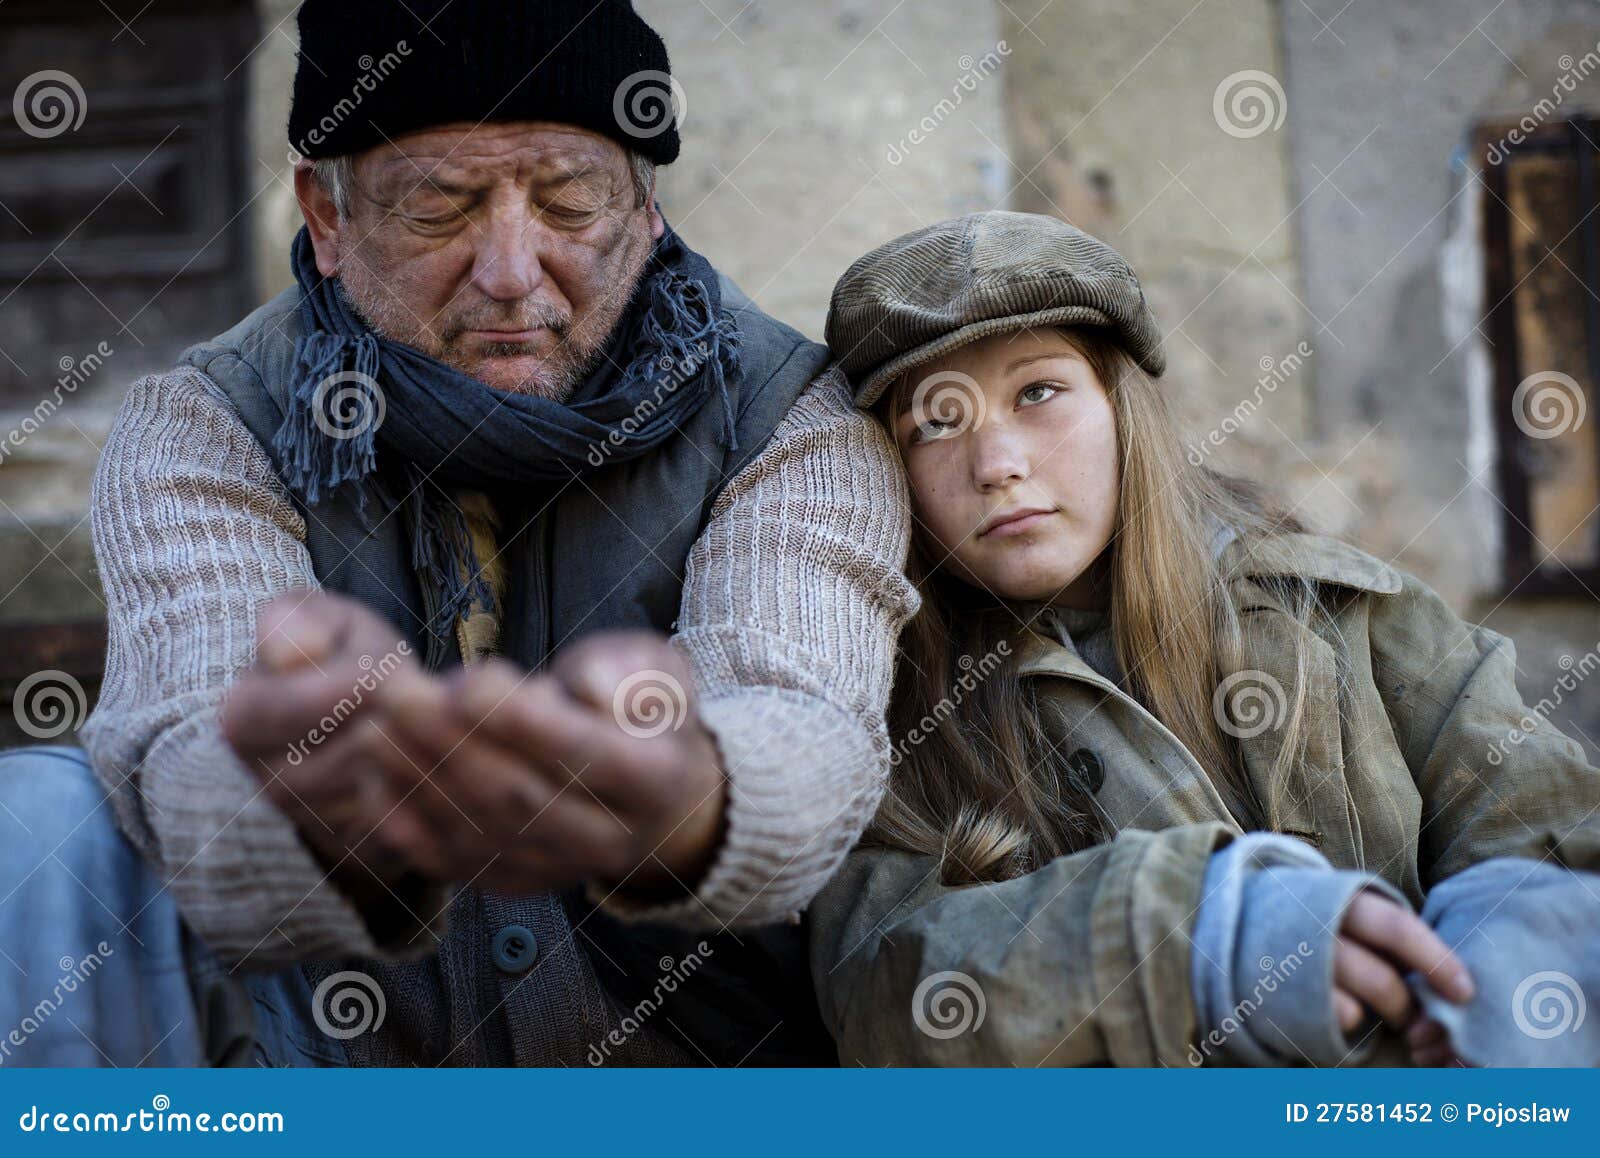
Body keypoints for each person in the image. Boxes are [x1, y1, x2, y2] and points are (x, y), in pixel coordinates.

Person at [0, 0, 918, 1067]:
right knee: (41, 818)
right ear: (329, 218)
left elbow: (804, 712)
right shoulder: (209, 423)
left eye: (570, 202)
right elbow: (189, 739)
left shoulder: (786, 410)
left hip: (691, 1070)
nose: (512, 273)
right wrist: (326, 808)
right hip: (336, 1073)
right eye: (441, 207)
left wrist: (688, 793)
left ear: (647, 205)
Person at [809, 210, 1600, 1068]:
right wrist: (1192, 929)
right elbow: (882, 990)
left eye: (1037, 393)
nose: (996, 462)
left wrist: (1514, 961)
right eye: (935, 421)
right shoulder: (883, 711)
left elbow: (1547, 825)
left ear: (1122, 407)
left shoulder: (1345, 612)